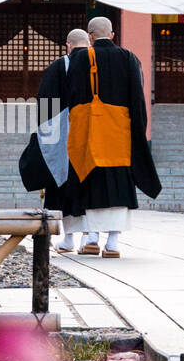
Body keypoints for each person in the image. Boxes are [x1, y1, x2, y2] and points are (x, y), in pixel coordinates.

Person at [64, 16, 161, 257]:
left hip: (89, 131)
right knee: (119, 180)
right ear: (113, 35)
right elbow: (137, 99)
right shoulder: (128, 58)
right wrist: (138, 130)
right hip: (119, 131)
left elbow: (70, 96)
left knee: (91, 179)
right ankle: (113, 243)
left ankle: (92, 238)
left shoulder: (79, 58)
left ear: (90, 36)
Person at [18, 28, 89, 252]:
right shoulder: (97, 66)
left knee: (61, 184)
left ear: (68, 45)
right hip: (92, 133)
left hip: (64, 135)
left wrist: (47, 130)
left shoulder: (59, 66)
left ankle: (66, 238)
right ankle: (90, 238)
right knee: (89, 184)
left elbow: (46, 102)